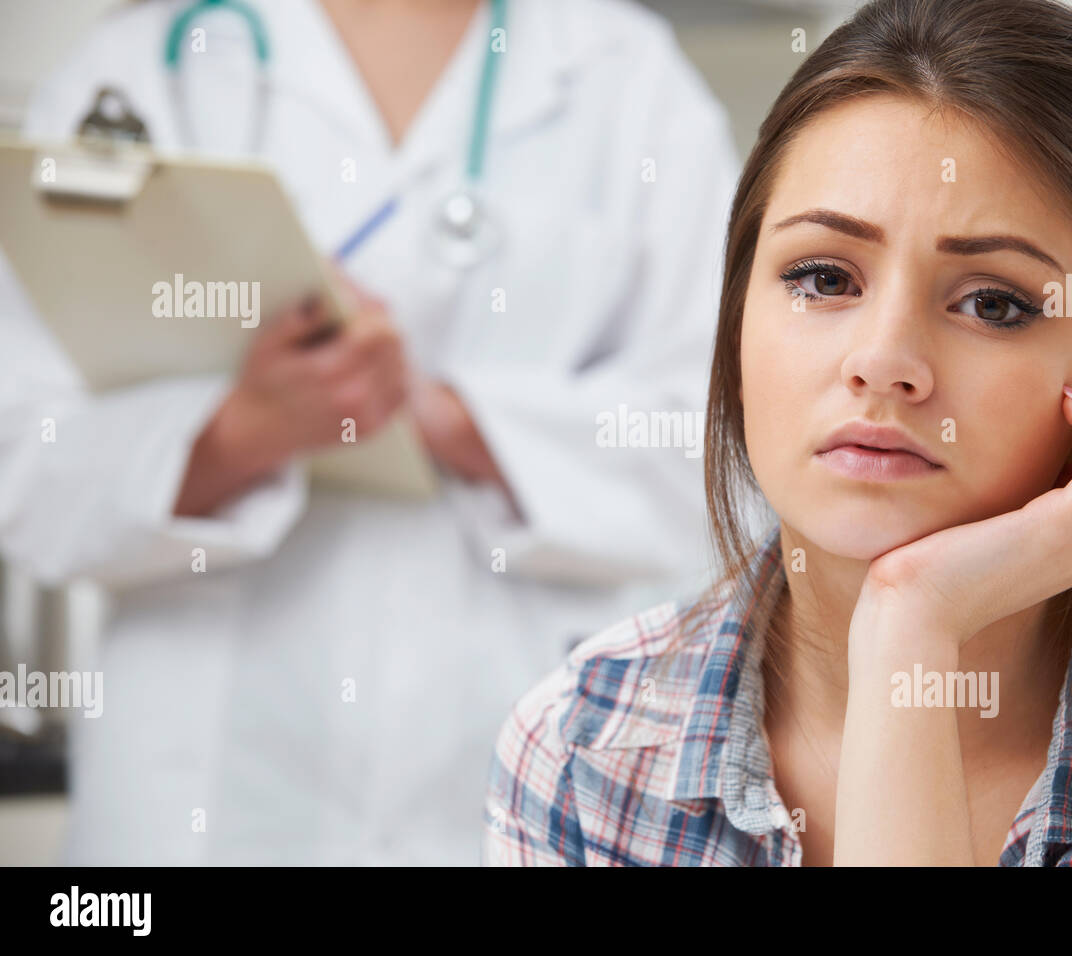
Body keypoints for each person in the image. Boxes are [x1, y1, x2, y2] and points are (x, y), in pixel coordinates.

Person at [482, 0, 1072, 866]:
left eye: (993, 303)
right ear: (735, 323)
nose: (884, 362)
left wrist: (912, 623)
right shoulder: (583, 749)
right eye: (824, 277)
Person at [0, 0, 738, 864]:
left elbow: (725, 447)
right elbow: (24, 459)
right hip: (193, 795)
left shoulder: (627, 79)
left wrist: (442, 418)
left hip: (519, 770)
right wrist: (240, 434)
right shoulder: (142, 66)